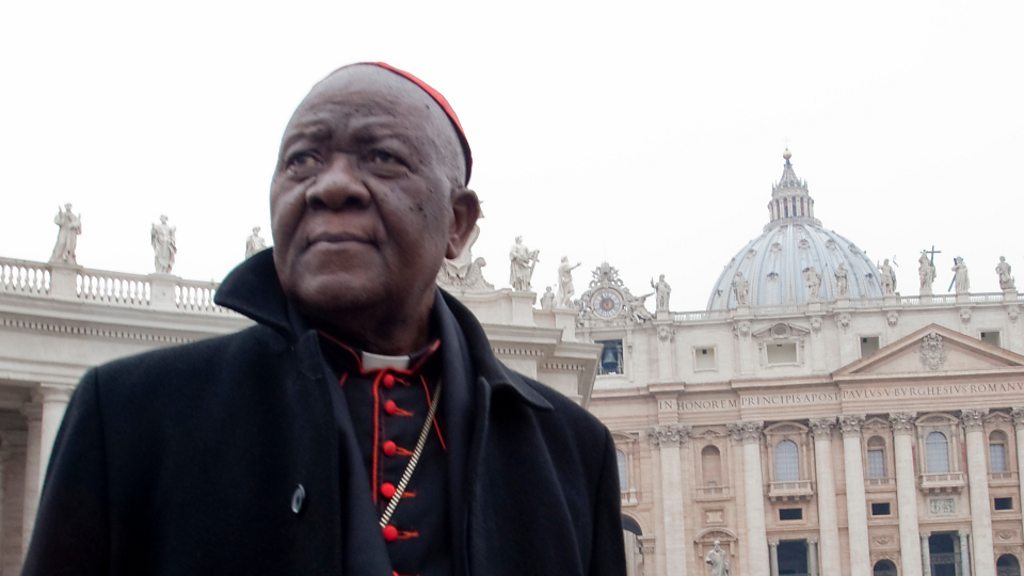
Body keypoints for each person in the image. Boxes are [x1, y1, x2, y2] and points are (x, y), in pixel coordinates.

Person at [25, 63, 626, 576]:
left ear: (458, 224)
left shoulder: (573, 453)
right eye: (302, 159)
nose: (330, 186)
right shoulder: (127, 414)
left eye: (382, 158)